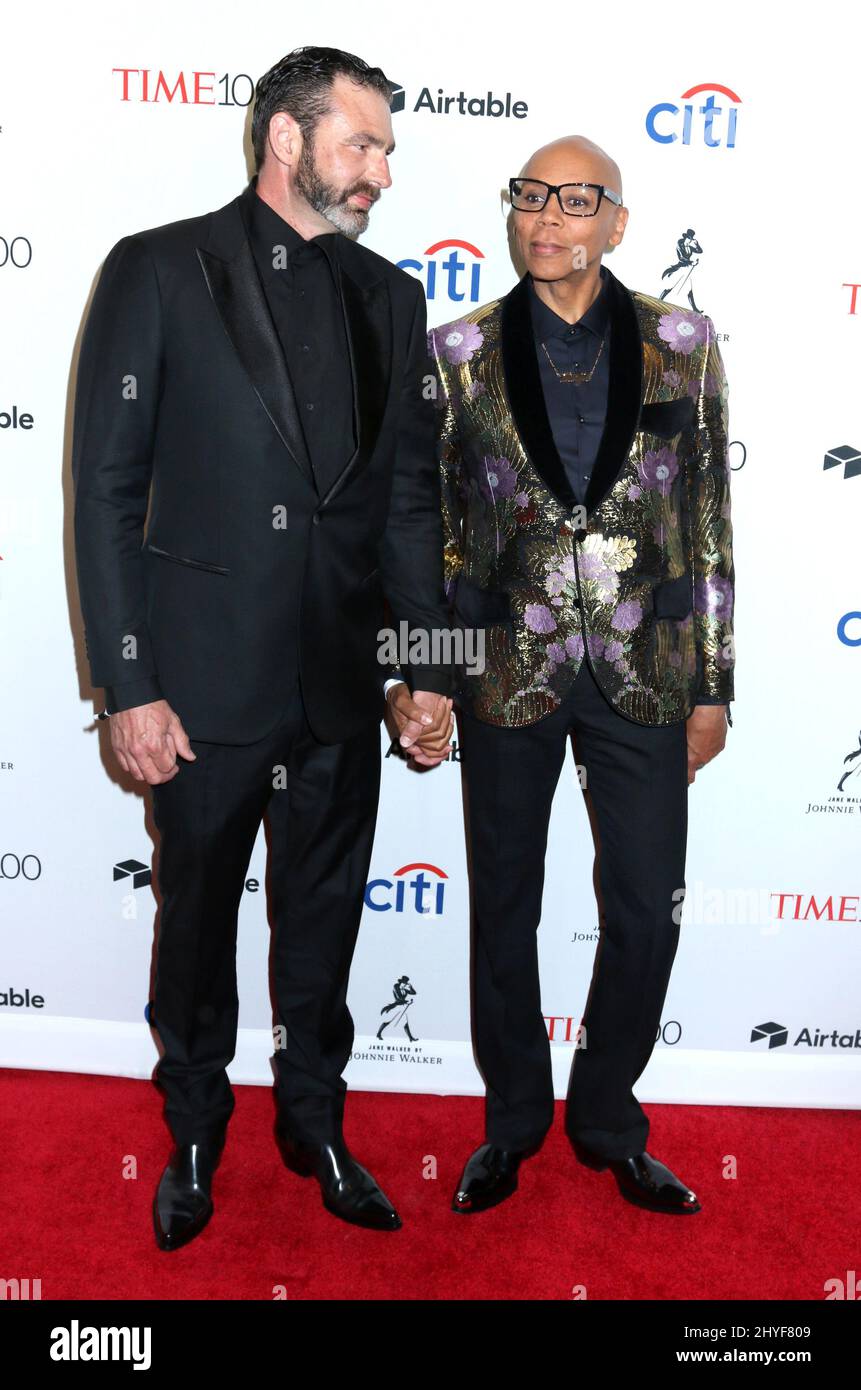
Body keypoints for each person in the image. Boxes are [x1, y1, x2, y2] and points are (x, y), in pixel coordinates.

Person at [72, 45, 453, 1251]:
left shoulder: (392, 299)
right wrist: (128, 687)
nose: (383, 170)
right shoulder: (158, 269)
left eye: (387, 147)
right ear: (287, 142)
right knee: (194, 926)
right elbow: (103, 490)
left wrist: (426, 665)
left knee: (326, 923)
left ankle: (316, 1121)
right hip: (200, 690)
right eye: (364, 143)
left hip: (339, 691)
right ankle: (190, 1130)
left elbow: (407, 506)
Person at [428, 135, 735, 1216]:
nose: (546, 217)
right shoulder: (456, 349)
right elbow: (437, 537)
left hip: (648, 673)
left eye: (575, 199)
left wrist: (715, 685)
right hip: (503, 670)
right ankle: (513, 1122)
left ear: (618, 221)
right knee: (503, 908)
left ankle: (607, 1118)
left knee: (644, 908)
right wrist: (422, 671)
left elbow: (706, 524)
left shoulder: (682, 344)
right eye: (529, 196)